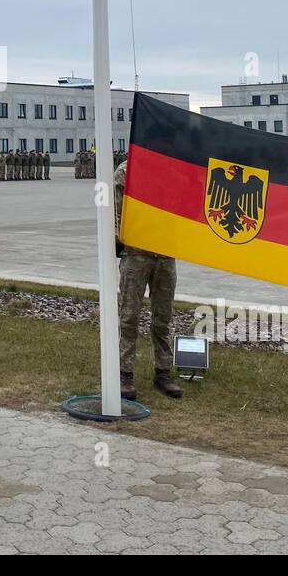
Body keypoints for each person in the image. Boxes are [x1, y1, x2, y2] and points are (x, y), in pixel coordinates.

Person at [113, 153, 181, 401]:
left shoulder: (172, 172)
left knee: (163, 316)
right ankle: (124, 372)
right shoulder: (126, 172)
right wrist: (124, 244)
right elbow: (117, 214)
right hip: (137, 254)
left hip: (165, 253)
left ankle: (163, 371)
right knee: (129, 316)